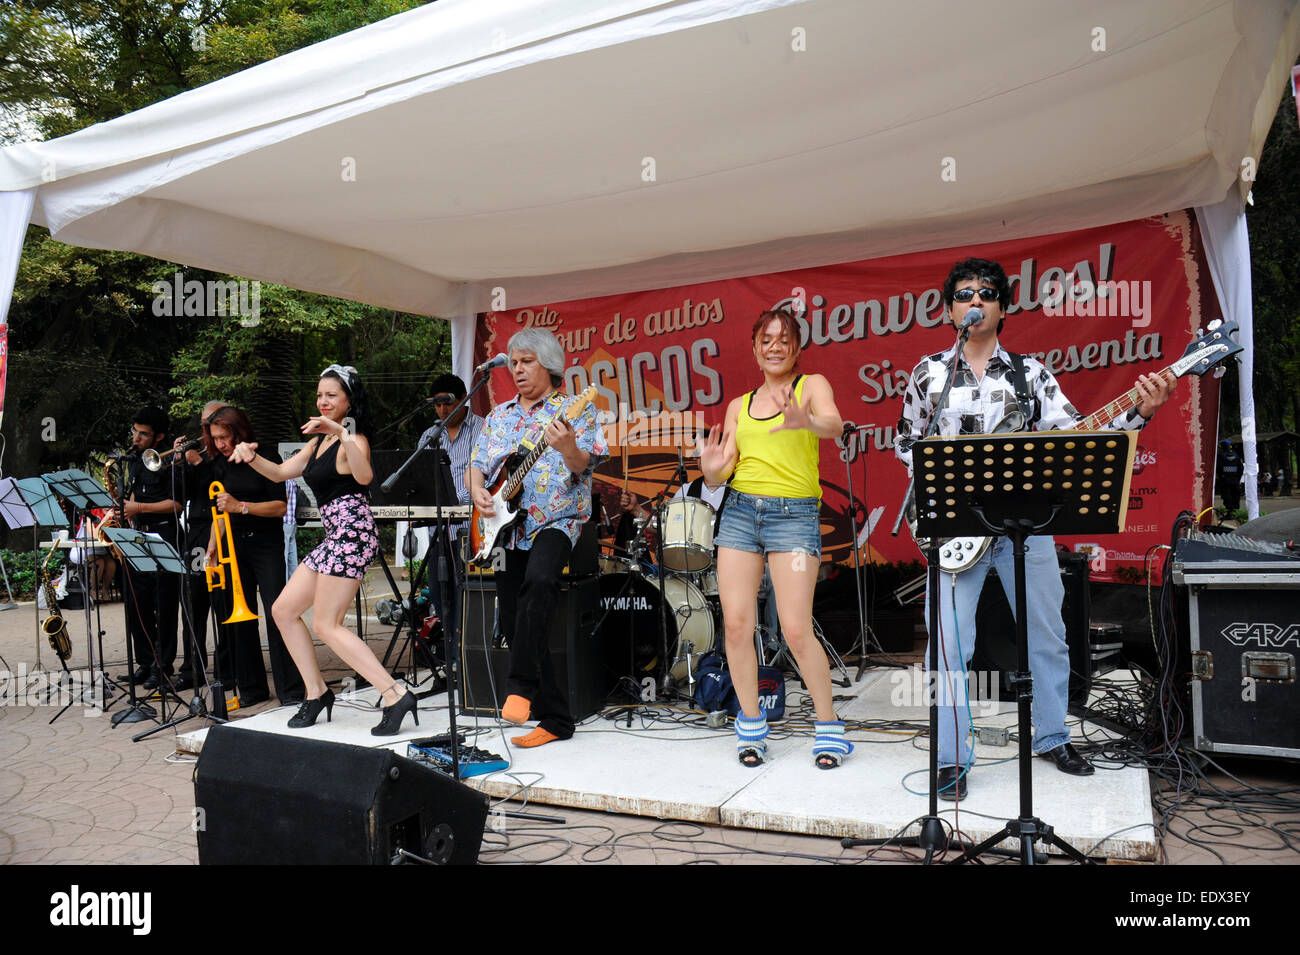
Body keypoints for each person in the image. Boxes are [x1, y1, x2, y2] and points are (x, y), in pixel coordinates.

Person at [895, 257, 1175, 800]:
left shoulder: (1030, 374)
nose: (974, 302)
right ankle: (952, 756)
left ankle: (1050, 735)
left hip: (1026, 526)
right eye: (963, 294)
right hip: (956, 527)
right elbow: (906, 444)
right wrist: (939, 487)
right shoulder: (928, 373)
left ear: (1001, 307)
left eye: (986, 293)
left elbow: (1077, 438)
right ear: (950, 307)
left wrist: (1138, 412)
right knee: (949, 646)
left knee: (1046, 633)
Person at [698, 307, 850, 769]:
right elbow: (724, 470)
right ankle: (750, 726)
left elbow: (835, 426)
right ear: (755, 348)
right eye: (766, 339)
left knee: (796, 628)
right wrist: (710, 470)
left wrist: (806, 421)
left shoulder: (811, 387)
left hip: (794, 518)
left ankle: (829, 729)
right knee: (738, 626)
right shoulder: (738, 405)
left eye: (784, 338)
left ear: (797, 347)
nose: (775, 346)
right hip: (741, 514)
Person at [229, 364, 418, 735]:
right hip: (335, 536)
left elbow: (364, 477)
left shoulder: (355, 439)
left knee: (326, 624)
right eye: (319, 395)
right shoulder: (317, 443)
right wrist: (252, 458)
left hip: (352, 533)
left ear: (349, 400)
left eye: (331, 394)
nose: (323, 401)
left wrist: (339, 431)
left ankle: (395, 694)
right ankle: (316, 693)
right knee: (283, 610)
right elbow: (283, 473)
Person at [468, 329, 608, 748]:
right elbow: (478, 464)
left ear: (548, 364)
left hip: (557, 521)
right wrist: (477, 490)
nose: (518, 370)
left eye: (526, 361)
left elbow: (585, 464)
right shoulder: (499, 416)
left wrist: (567, 449)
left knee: (542, 582)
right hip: (506, 528)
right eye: (513, 363)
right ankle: (557, 720)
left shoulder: (573, 410)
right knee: (515, 620)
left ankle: (521, 686)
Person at [203, 405, 301, 705]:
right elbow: (220, 510)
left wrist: (242, 506)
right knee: (239, 619)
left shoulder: (265, 455)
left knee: (278, 613)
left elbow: (280, 507)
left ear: (239, 430)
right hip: (234, 542)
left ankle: (292, 690)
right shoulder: (220, 462)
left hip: (265, 542)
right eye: (215, 438)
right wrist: (211, 548)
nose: (220, 443)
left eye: (224, 436)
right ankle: (251, 689)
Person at [418, 373, 483, 649]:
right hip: (440, 533)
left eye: (447, 403)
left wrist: (461, 500)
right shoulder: (429, 436)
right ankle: (451, 657)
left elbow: (492, 477)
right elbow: (420, 479)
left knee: (467, 596)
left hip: (475, 531)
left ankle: (469, 655)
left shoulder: (484, 429)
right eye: (437, 405)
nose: (442, 410)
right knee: (440, 593)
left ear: (464, 400)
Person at [119, 406, 182, 690]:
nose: (137, 438)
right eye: (135, 431)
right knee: (136, 604)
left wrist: (139, 507)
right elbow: (133, 493)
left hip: (164, 535)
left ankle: (163, 666)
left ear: (159, 436)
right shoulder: (134, 460)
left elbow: (177, 504)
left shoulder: (170, 462)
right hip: (138, 537)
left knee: (164, 605)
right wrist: (124, 511)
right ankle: (146, 662)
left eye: (144, 434)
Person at [172, 400, 227, 693]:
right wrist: (181, 464)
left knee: (220, 600)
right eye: (204, 423)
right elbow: (184, 494)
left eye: (212, 422)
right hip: (194, 533)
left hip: (219, 530)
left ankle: (225, 668)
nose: (205, 429)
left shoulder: (223, 453)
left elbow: (218, 486)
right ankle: (192, 668)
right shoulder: (201, 452)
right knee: (192, 602)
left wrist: (199, 463)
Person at [1215, 439, 1242, 513]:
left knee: (1227, 496)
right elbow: (1241, 468)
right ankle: (1235, 511)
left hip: (1225, 480)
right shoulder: (1236, 456)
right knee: (1235, 496)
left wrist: (1221, 477)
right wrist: (1237, 478)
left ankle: (1229, 512)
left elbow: (1218, 468)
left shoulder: (1221, 456)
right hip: (1235, 480)